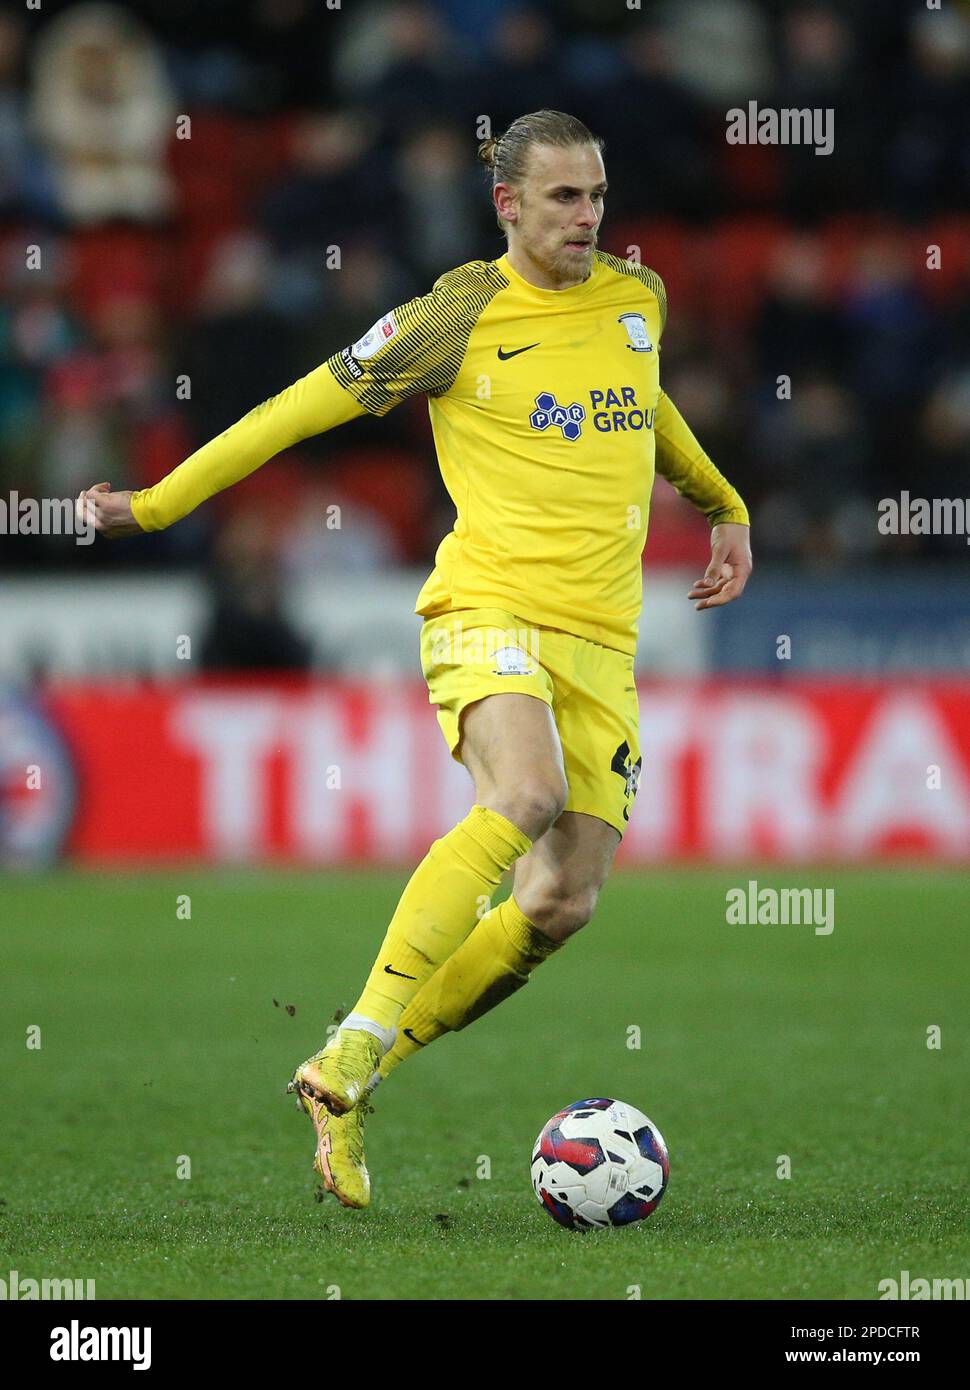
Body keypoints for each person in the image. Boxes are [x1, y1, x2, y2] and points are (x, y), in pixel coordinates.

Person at [77, 110, 752, 1210]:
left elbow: (640, 404)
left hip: (602, 638)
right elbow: (299, 409)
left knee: (559, 903)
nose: (586, 218)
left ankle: (355, 1076)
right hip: (487, 605)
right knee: (524, 790)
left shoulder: (639, 299)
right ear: (508, 206)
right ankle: (349, 1045)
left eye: (595, 195)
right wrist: (156, 503)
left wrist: (720, 499)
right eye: (562, 199)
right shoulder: (456, 315)